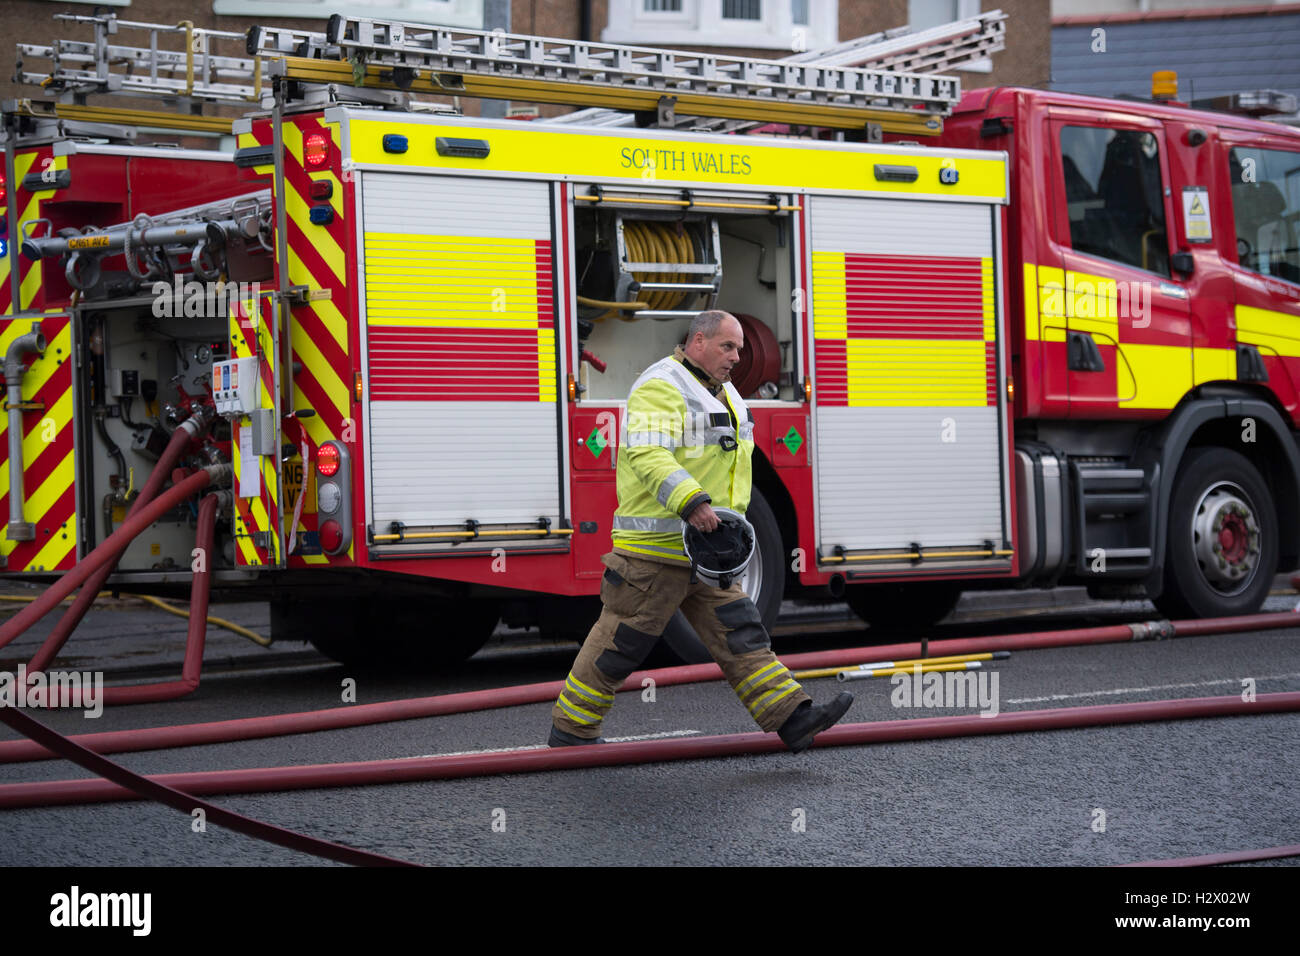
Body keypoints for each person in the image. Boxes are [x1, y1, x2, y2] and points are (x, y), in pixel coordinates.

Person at [549, 309, 853, 753]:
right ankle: (571, 731)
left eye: (740, 349)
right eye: (727, 346)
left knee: (742, 634)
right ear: (697, 342)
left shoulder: (723, 391)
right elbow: (649, 454)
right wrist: (692, 501)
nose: (736, 357)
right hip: (655, 552)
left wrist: (727, 532)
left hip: (709, 552)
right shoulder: (662, 385)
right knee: (620, 644)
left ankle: (793, 718)